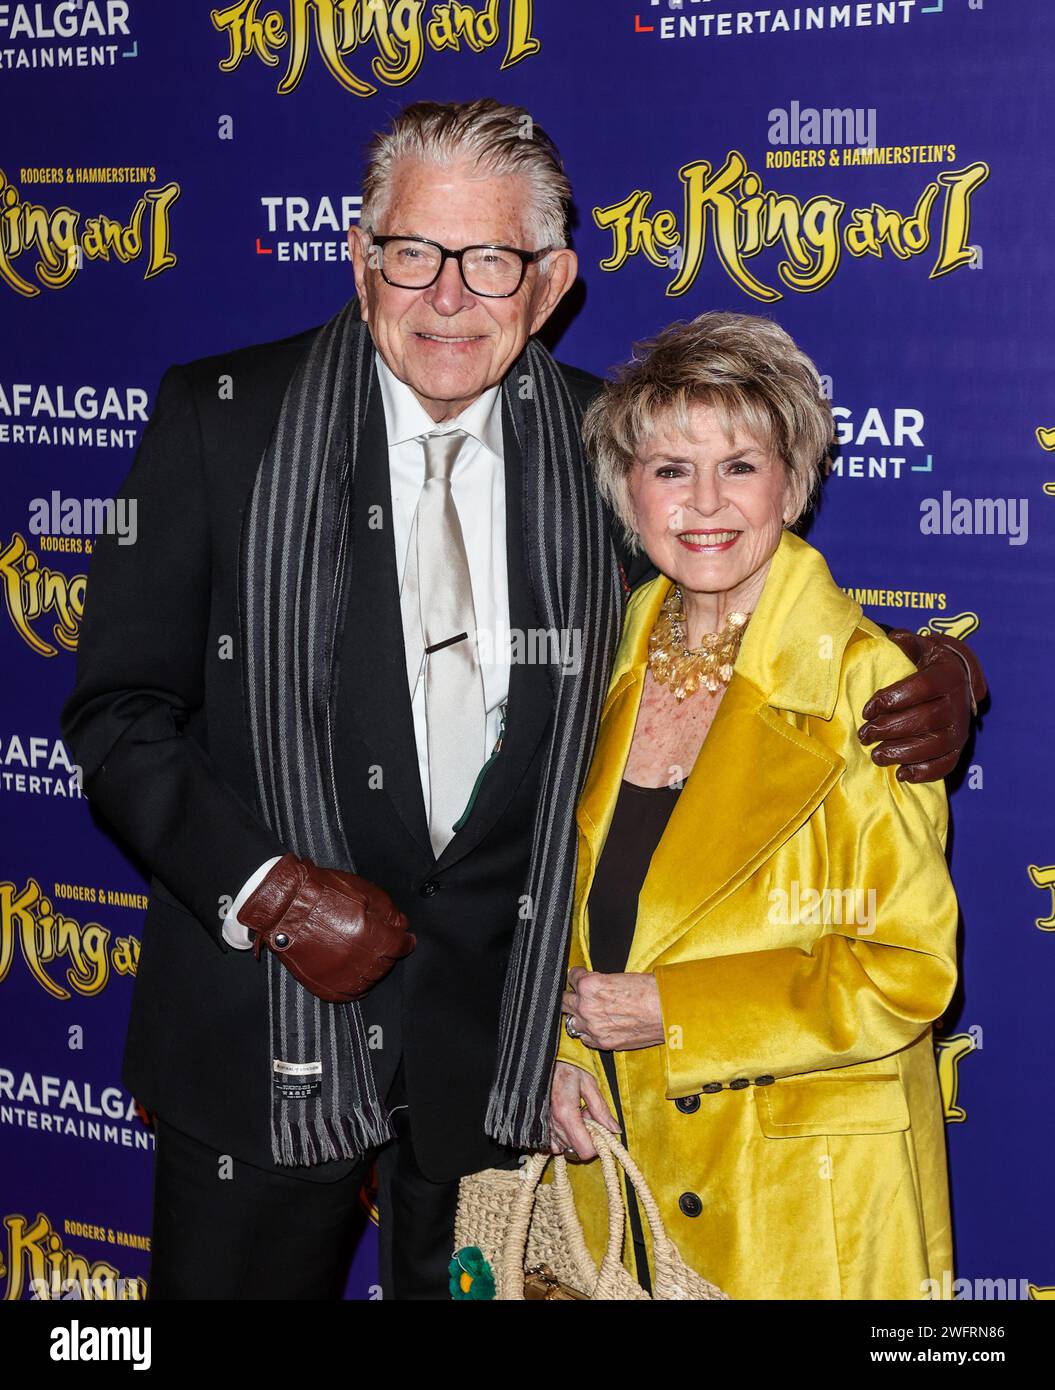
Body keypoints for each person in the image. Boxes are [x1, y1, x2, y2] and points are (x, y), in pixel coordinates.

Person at [60, 100, 982, 1302]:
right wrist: (267, 889)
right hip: (258, 1034)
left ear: (547, 283)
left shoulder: (607, 448)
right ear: (358, 254)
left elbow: (733, 588)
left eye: (490, 260)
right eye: (412, 253)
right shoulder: (218, 421)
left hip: (501, 1062)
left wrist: (935, 670)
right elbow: (119, 709)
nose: (448, 297)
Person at [549, 311, 962, 1300]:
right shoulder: (599, 655)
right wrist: (553, 1055)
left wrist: (672, 1012)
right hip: (624, 1192)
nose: (702, 503)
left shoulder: (867, 687)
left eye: (738, 464)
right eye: (667, 468)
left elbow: (905, 969)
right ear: (625, 487)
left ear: (793, 478)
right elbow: (561, 912)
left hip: (799, 1212)